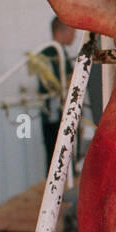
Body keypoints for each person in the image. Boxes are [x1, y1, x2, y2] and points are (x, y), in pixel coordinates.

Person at [38, 17, 76, 170]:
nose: (74, 36)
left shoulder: (59, 52)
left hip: (55, 113)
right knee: (57, 156)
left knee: (59, 155)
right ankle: (56, 190)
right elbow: (57, 85)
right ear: (60, 32)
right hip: (54, 115)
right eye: (72, 32)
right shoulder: (52, 52)